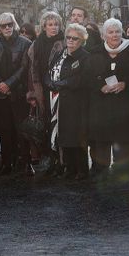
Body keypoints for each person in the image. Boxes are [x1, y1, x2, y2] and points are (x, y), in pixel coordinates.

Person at [86, 18, 129, 178]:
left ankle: (123, 167)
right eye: (110, 32)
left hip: (124, 101)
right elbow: (87, 76)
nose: (115, 35)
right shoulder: (95, 52)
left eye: (117, 31)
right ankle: (100, 167)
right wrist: (100, 86)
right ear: (104, 35)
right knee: (101, 136)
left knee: (124, 136)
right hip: (101, 103)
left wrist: (125, 83)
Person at [44, 23, 90, 179]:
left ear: (82, 40)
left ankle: (82, 170)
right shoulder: (60, 53)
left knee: (77, 137)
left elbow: (82, 79)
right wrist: (49, 82)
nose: (70, 40)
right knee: (64, 136)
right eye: (68, 37)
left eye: (74, 38)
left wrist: (62, 84)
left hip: (76, 103)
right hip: (60, 103)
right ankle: (69, 168)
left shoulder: (85, 56)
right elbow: (49, 70)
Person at [0, 12, 31, 176]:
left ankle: (26, 162)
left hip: (18, 93)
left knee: (22, 130)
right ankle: (6, 162)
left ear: (15, 25)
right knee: (4, 130)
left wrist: (9, 84)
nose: (7, 28)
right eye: (3, 25)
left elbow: (24, 67)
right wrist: (1, 84)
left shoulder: (25, 43)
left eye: (10, 24)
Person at [26, 11, 65, 166]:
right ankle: (50, 159)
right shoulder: (36, 44)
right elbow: (30, 71)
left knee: (59, 125)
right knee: (45, 125)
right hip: (40, 90)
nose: (54, 27)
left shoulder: (64, 42)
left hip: (57, 90)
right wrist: (32, 94)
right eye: (50, 25)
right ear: (44, 27)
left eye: (56, 24)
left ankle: (61, 160)